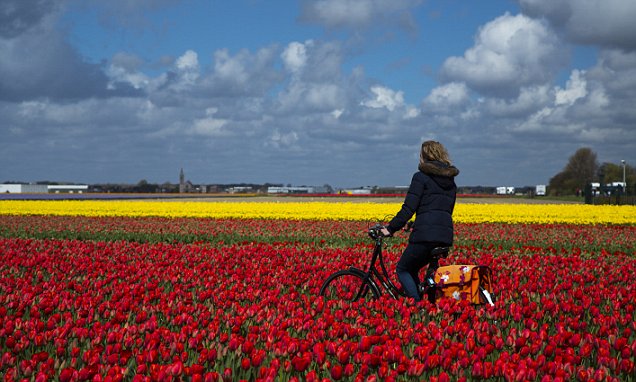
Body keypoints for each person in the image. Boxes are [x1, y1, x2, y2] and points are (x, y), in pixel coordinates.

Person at [380, 140, 459, 302]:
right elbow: (443, 210)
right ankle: (424, 301)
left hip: (426, 236)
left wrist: (390, 229)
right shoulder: (451, 181)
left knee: (402, 269)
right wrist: (415, 223)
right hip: (444, 235)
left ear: (424, 156)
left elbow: (409, 208)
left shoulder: (420, 177)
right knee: (413, 269)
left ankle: (417, 306)